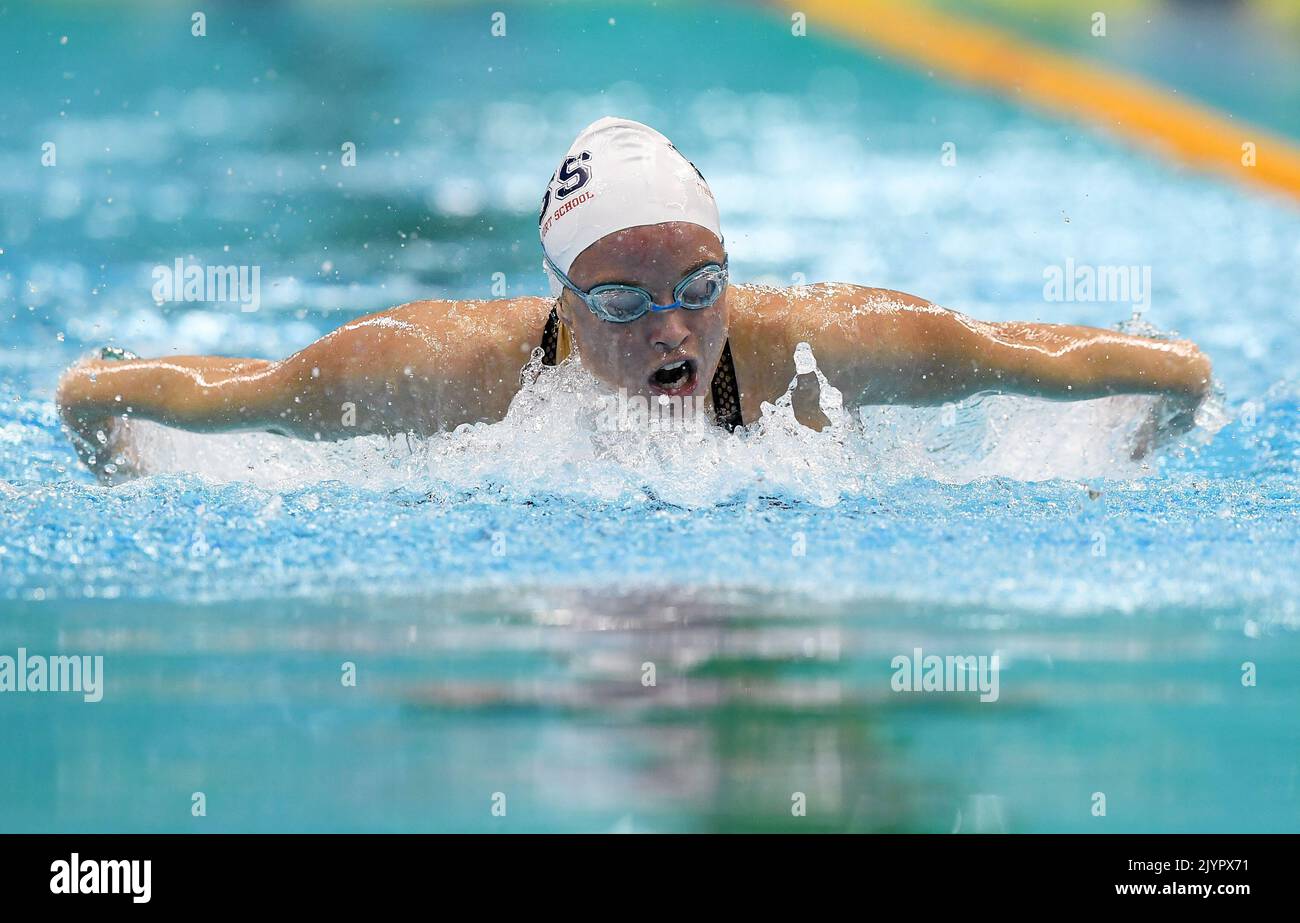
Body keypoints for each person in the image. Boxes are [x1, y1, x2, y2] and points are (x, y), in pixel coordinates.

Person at [56, 116, 1212, 477]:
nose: (672, 328)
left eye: (699, 288)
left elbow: (1103, 363)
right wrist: (106, 436)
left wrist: (1131, 448)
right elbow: (172, 394)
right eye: (622, 303)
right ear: (558, 296)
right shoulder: (432, 367)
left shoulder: (823, 350)